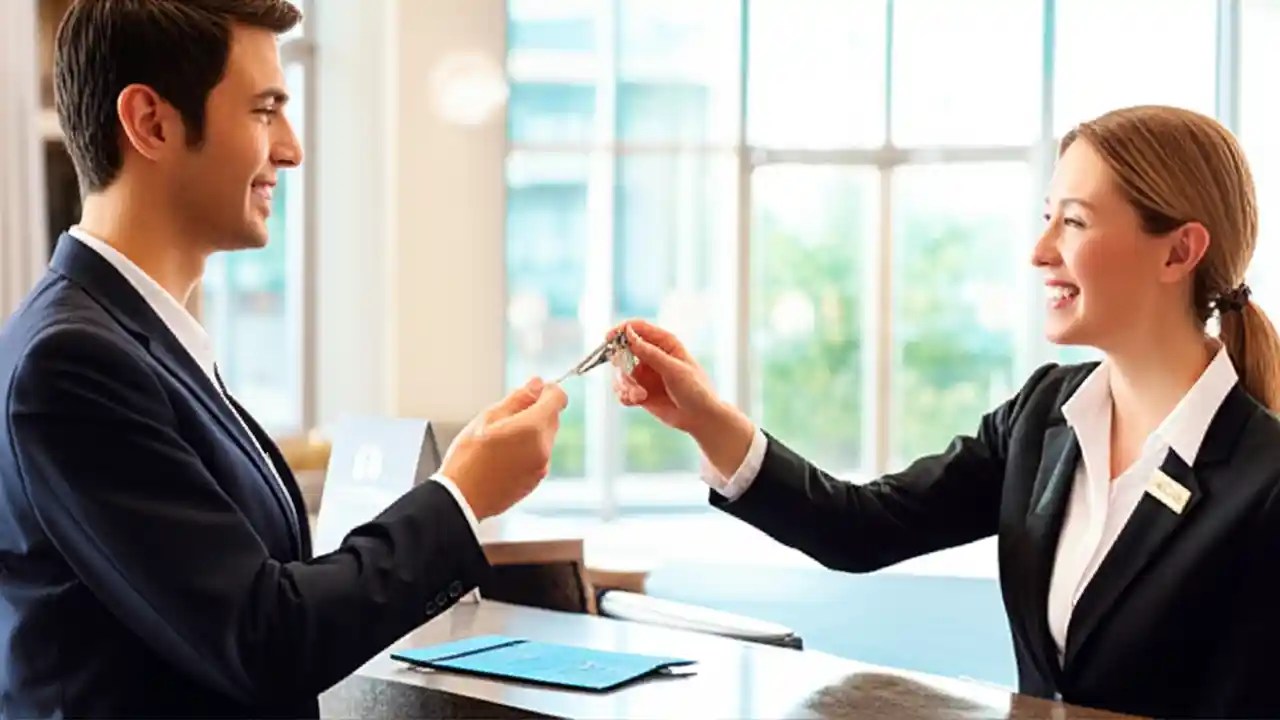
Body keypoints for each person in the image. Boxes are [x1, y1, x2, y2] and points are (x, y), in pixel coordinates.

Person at [610, 105, 1280, 719]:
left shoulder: (1264, 483)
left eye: (1073, 221)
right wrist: (706, 417)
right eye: (1047, 216)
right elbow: (860, 528)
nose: (1039, 250)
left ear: (1179, 251)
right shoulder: (1043, 418)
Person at [0, 1, 567, 717]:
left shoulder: (131, 337)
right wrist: (461, 498)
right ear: (151, 122)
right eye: (265, 111)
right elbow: (266, 637)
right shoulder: (74, 363)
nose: (292, 149)